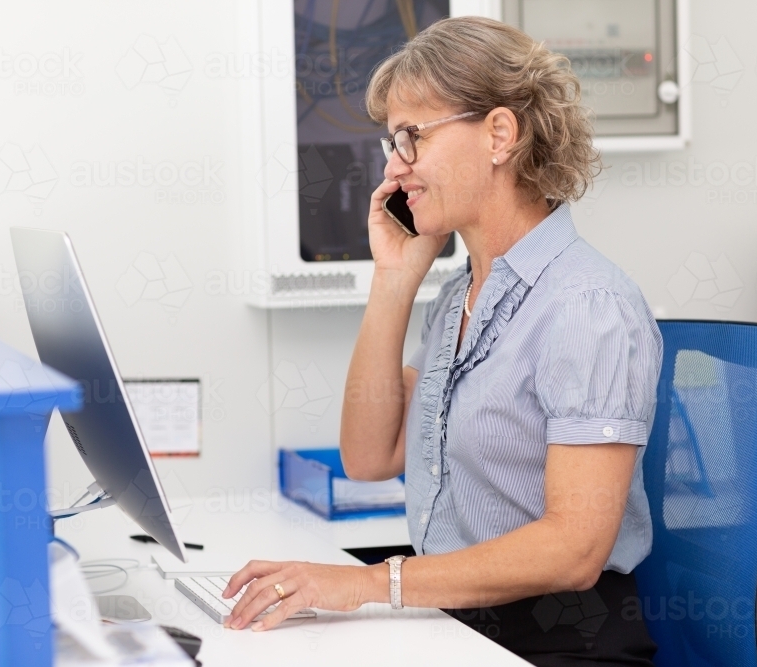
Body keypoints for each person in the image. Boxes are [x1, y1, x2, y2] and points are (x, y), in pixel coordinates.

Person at [223, 16, 662, 666]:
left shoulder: (586, 307)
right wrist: (394, 281)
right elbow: (371, 455)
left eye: (411, 137)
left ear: (499, 133)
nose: (394, 166)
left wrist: (371, 582)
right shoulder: (460, 296)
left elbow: (575, 549)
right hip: (457, 624)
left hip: (558, 642)